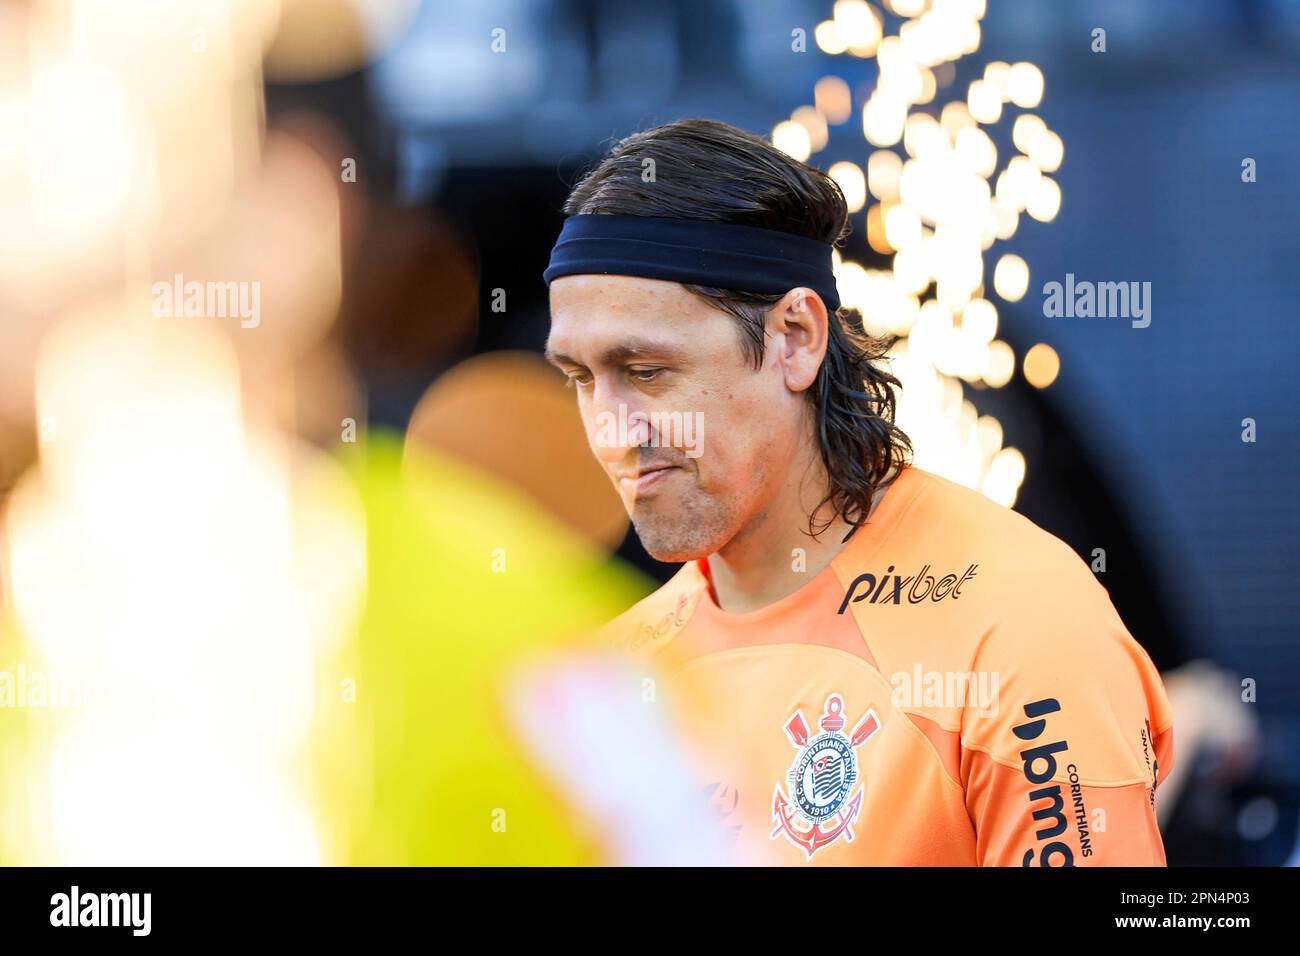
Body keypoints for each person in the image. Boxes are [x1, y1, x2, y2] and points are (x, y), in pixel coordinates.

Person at [541, 118, 1175, 866]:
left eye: (646, 373)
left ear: (796, 338)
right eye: (580, 380)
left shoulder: (1017, 625)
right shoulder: (612, 677)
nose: (610, 433)